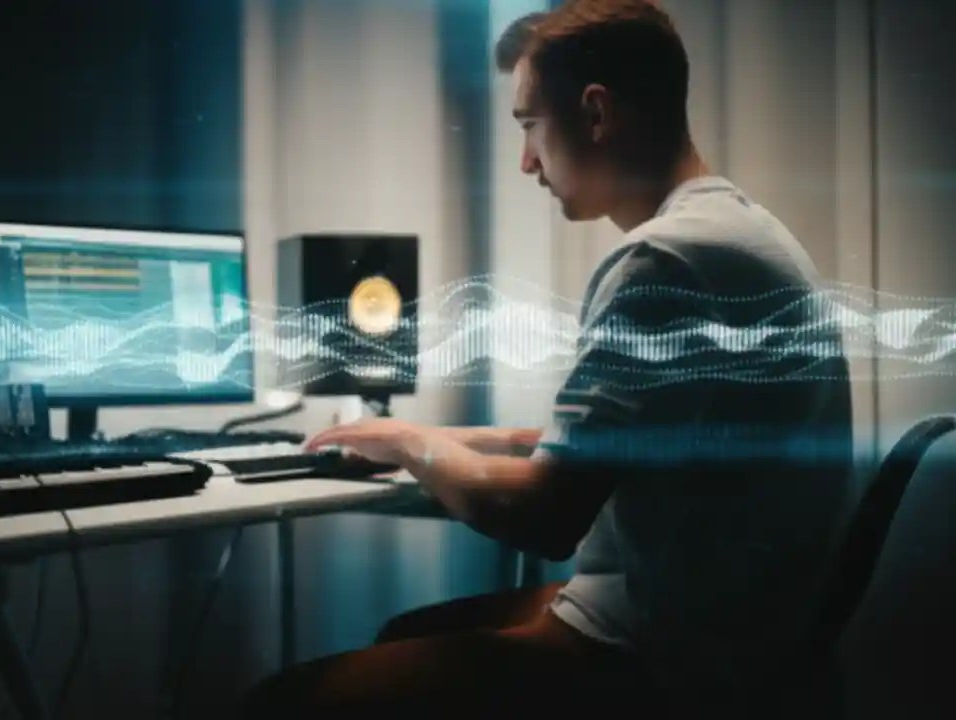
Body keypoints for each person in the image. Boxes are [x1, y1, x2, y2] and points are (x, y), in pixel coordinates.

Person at [238, 1, 854, 717]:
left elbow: (547, 513)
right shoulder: (735, 231)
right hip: (738, 639)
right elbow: (595, 448)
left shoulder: (664, 263)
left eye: (530, 125)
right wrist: (421, 442)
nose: (526, 161)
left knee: (279, 702)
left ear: (595, 114)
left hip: (663, 662)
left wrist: (409, 441)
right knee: (407, 634)